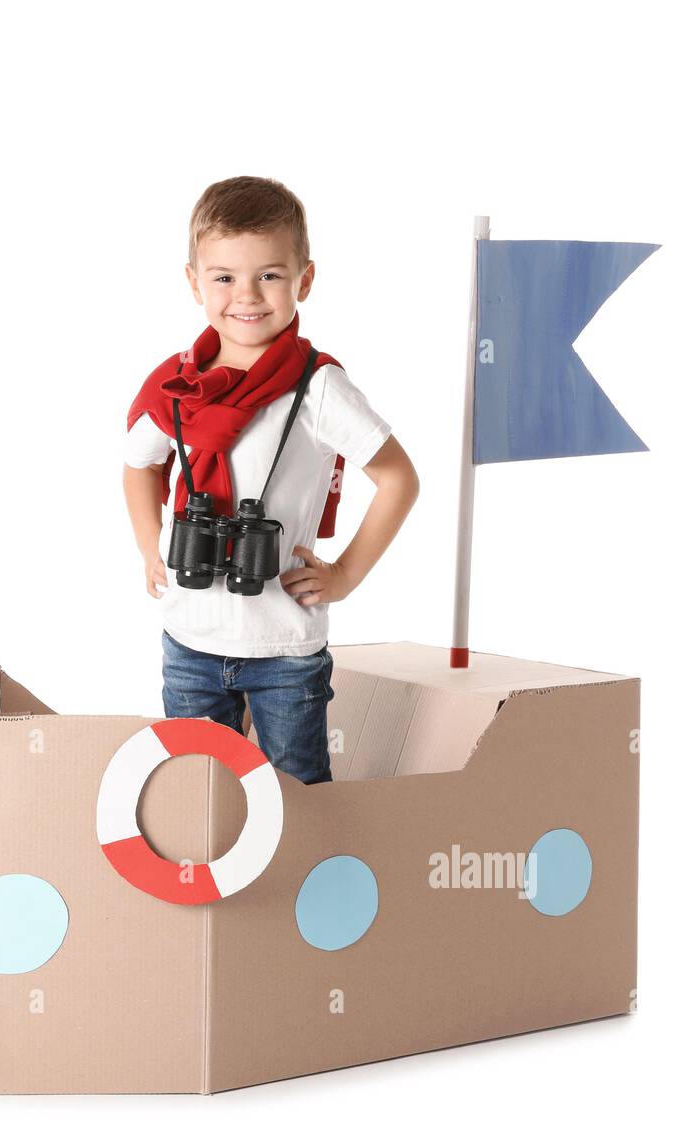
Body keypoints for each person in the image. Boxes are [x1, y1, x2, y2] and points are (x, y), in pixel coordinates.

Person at [123, 176, 419, 785]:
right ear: (194, 281)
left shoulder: (317, 388)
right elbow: (141, 465)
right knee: (195, 791)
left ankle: (304, 884)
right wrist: (152, 546)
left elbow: (398, 479)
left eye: (271, 275)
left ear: (304, 279)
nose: (247, 295)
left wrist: (346, 575)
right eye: (224, 276)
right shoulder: (176, 387)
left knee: (298, 796)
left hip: (284, 644)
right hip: (190, 638)